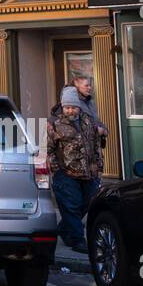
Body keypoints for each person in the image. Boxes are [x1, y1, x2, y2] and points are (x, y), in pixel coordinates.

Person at [46, 86, 104, 253]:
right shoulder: (53, 123)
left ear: (78, 106)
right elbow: (48, 150)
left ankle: (64, 229)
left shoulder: (88, 120)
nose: (70, 111)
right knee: (71, 206)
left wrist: (98, 167)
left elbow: (95, 145)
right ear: (62, 107)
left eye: (73, 107)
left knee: (88, 203)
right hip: (66, 174)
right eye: (67, 107)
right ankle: (78, 240)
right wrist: (57, 169)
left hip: (89, 173)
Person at [71, 74, 108, 144]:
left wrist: (104, 130)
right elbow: (76, 127)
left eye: (89, 85)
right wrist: (96, 130)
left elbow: (96, 120)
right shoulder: (74, 104)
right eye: (86, 86)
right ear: (76, 86)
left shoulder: (90, 102)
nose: (90, 88)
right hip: (83, 145)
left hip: (94, 145)